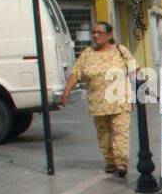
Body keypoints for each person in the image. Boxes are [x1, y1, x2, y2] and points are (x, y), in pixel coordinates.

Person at [59, 20, 137, 177]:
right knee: (104, 134)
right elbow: (76, 73)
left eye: (99, 33)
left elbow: (135, 70)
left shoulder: (121, 51)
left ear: (109, 35)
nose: (95, 36)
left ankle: (121, 162)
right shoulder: (88, 54)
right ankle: (110, 161)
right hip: (98, 102)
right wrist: (67, 90)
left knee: (120, 132)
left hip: (120, 101)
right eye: (93, 33)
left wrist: (146, 90)